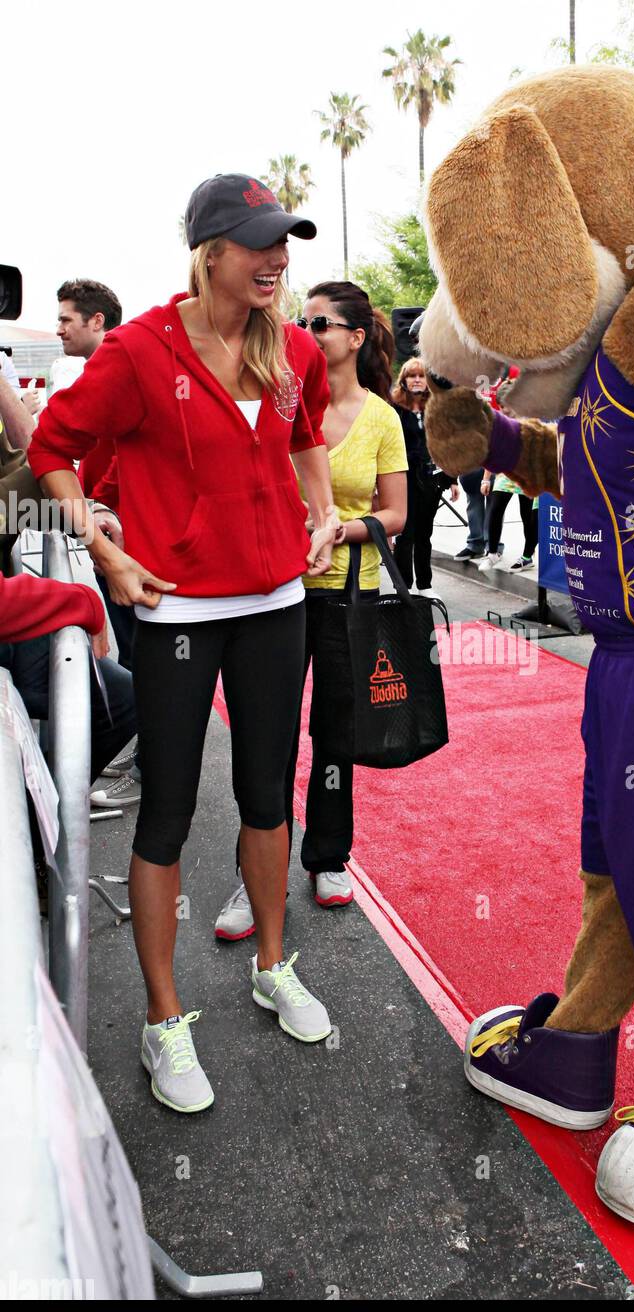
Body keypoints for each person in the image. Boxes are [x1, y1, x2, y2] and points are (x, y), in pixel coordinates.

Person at [29, 172, 342, 1114]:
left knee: (264, 788)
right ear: (209, 252)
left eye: (285, 241)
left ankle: (274, 966)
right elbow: (52, 449)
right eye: (258, 242)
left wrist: (322, 511)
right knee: (165, 807)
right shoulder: (135, 351)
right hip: (174, 605)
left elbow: (307, 436)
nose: (277, 259)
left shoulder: (292, 348)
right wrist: (105, 553)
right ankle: (163, 1020)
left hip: (278, 599)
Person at [214, 281, 407, 942]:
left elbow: (396, 515)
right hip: (271, 593)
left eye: (320, 323)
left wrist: (334, 530)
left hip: (352, 592)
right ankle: (254, 872)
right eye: (302, 320)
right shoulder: (277, 400)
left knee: (336, 733)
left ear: (355, 337)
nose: (306, 330)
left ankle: (328, 856)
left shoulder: (384, 417)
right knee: (265, 737)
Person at [47, 279, 141, 805]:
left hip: (124, 532)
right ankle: (146, 754)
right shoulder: (102, 373)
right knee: (133, 651)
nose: (59, 328)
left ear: (97, 321)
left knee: (141, 656)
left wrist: (101, 509)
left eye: (66, 319)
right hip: (110, 527)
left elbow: (128, 458)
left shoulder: (123, 372)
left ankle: (153, 767)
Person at [391, 357, 456, 598]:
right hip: (402, 476)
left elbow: (444, 444)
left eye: (421, 376)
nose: (417, 380)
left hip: (430, 479)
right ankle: (403, 585)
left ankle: (424, 585)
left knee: (425, 533)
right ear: (404, 380)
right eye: (412, 376)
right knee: (405, 532)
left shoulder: (435, 407)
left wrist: (452, 479)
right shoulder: (394, 408)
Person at [478, 470, 539, 572]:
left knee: (527, 515)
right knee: (495, 509)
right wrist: (486, 480)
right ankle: (492, 554)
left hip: (528, 473)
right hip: (505, 472)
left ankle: (527, 557)